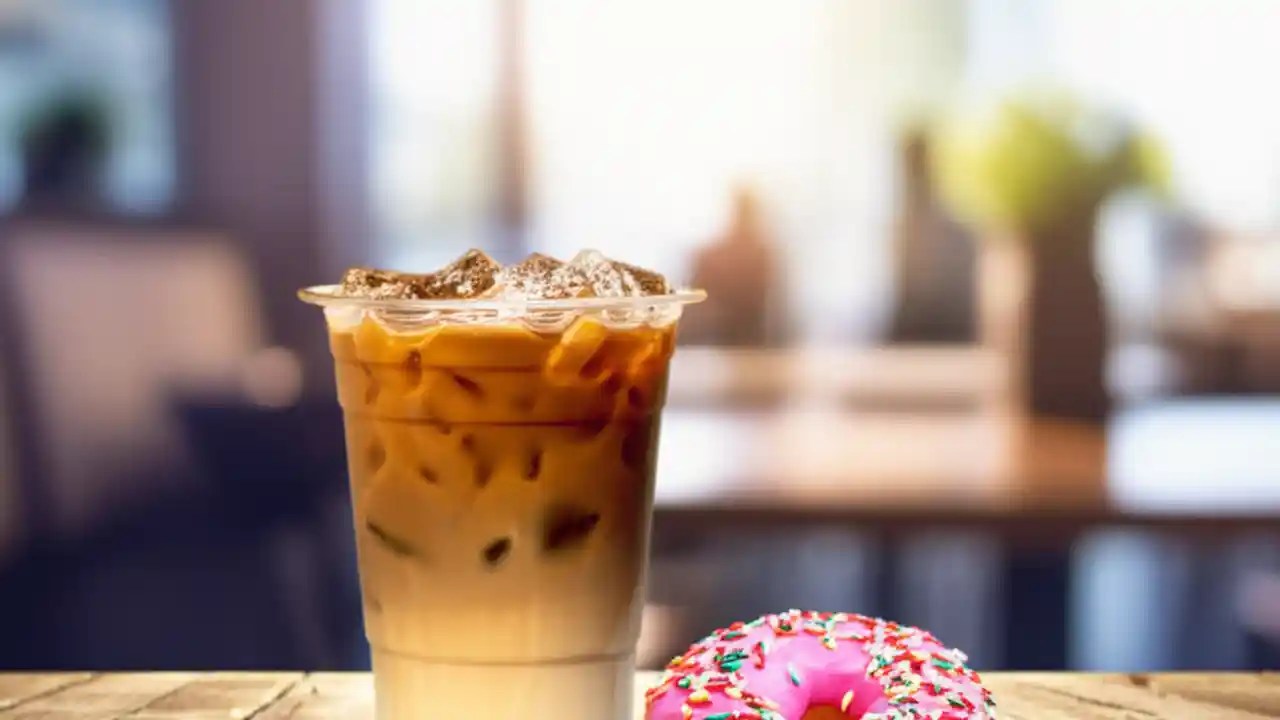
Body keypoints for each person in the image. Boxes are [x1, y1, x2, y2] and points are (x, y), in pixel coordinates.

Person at [683, 185, 786, 346]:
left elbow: (769, 307)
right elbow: (693, 301)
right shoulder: (711, 255)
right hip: (715, 340)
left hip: (750, 341)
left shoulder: (762, 253)